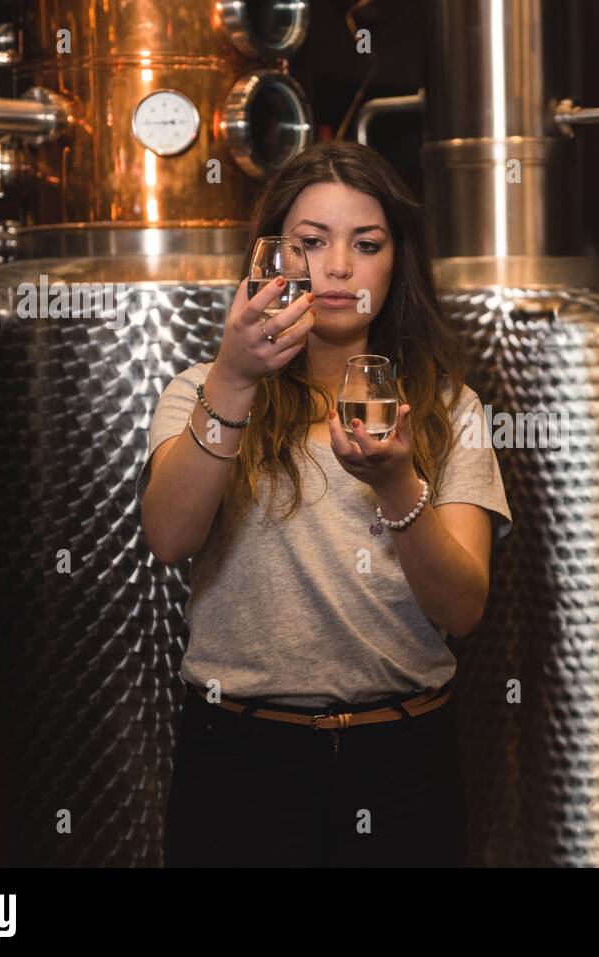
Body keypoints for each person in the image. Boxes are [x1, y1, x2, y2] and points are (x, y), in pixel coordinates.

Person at [136, 140, 512, 867]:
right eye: (311, 242)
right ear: (271, 257)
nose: (337, 266)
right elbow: (169, 537)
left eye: (365, 244)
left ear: (396, 261)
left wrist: (398, 480)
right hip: (242, 762)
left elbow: (463, 608)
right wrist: (237, 379)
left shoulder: (444, 408)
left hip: (404, 760)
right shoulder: (200, 390)